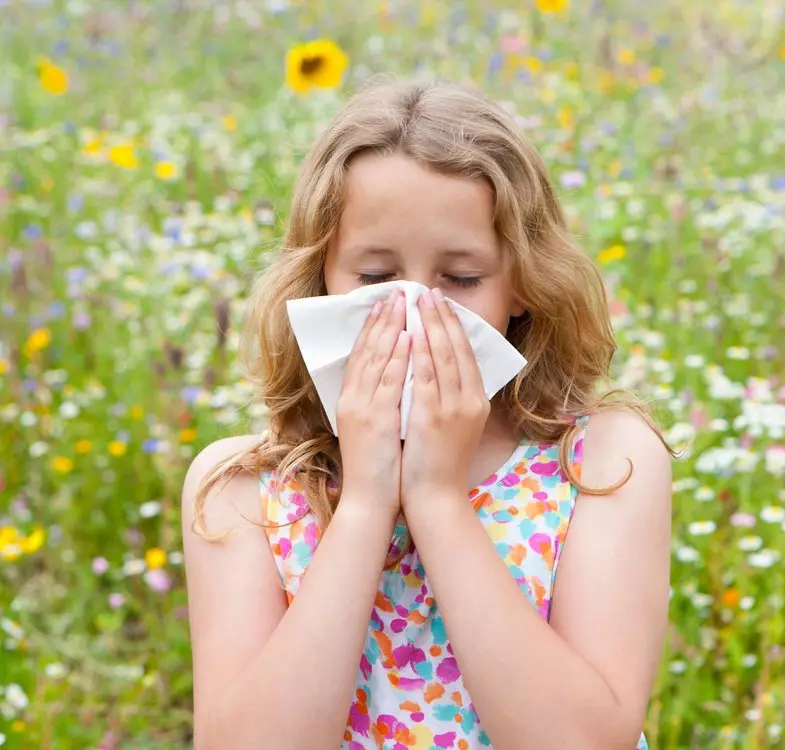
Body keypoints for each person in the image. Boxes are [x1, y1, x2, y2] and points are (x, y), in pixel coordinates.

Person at [180, 75, 673, 750]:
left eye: (461, 279)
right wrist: (364, 503)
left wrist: (439, 500)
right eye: (376, 277)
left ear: (523, 282)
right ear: (320, 273)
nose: (415, 312)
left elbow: (585, 741)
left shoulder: (602, 462)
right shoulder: (242, 491)